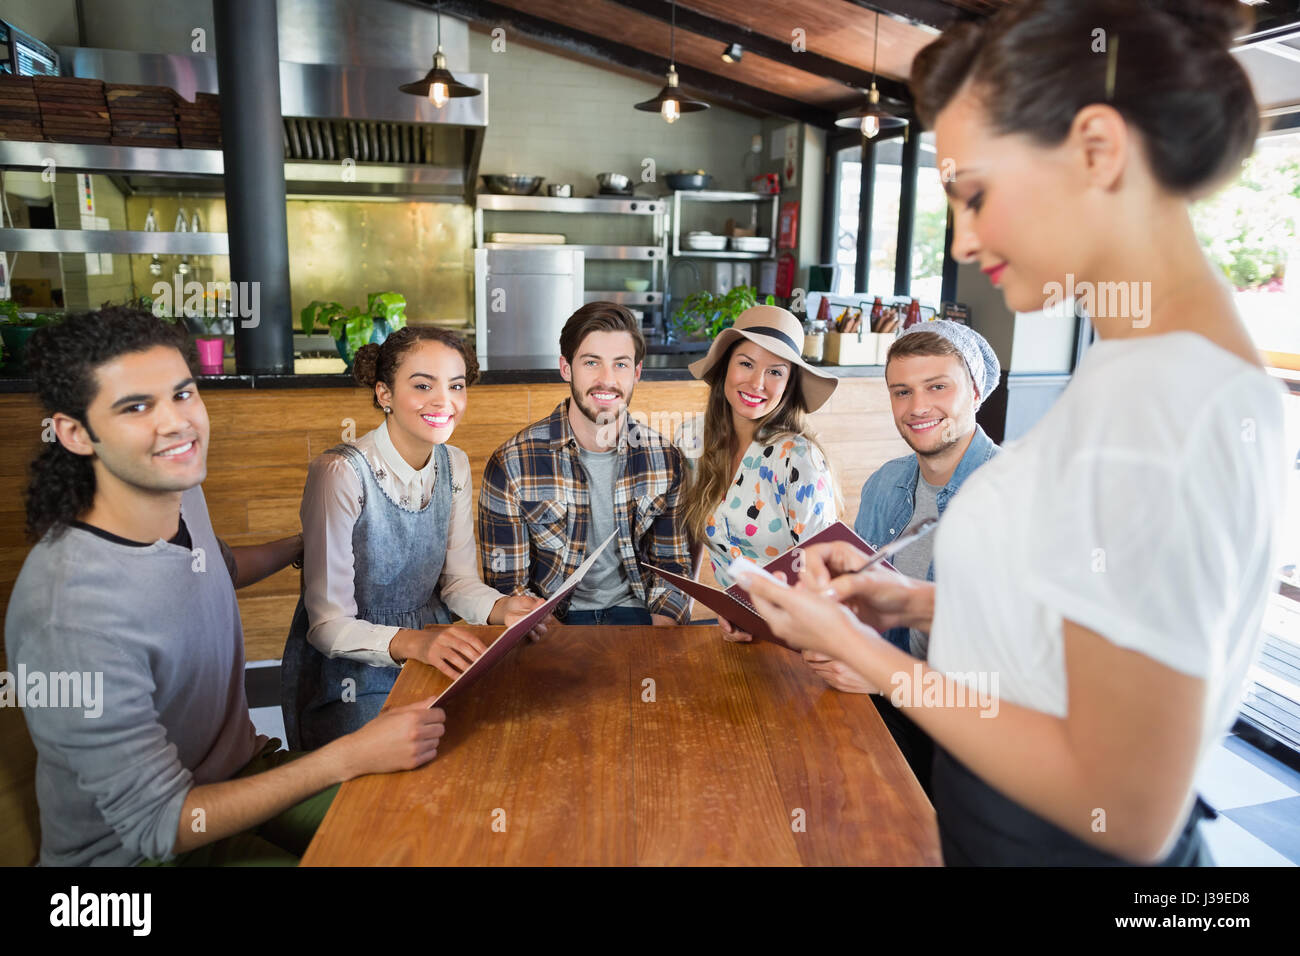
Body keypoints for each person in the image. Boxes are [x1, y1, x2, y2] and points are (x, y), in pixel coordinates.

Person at [740, 0, 1287, 866]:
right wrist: (909, 602)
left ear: (1098, 151)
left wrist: (859, 652)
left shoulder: (1163, 400)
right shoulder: (1139, 362)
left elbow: (1127, 807)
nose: (962, 239)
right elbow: (1084, 630)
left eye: (976, 194)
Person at [5, 307, 448, 866]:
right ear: (74, 432)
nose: (176, 423)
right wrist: (351, 754)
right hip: (142, 854)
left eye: (183, 394)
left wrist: (301, 544)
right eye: (136, 406)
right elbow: (161, 824)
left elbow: (215, 567)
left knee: (428, 835)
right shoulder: (68, 611)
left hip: (240, 772)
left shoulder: (177, 490)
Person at [282, 327, 548, 750]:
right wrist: (417, 643)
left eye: (456, 386)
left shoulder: (455, 464)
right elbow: (327, 628)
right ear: (384, 393)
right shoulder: (339, 473)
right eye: (423, 385)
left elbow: (457, 584)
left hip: (434, 648)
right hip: (353, 671)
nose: (444, 401)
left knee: (506, 738)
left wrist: (503, 609)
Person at [806, 321, 1000, 795]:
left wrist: (881, 678)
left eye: (937, 387)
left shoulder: (1015, 498)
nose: (916, 408)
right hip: (883, 703)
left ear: (974, 391)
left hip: (968, 738)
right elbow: (861, 608)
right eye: (901, 391)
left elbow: (998, 685)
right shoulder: (884, 484)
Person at [478, 302, 692, 626]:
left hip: (640, 615)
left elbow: (672, 568)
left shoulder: (667, 460)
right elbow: (509, 590)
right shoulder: (511, 465)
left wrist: (658, 637)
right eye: (591, 362)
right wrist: (546, 639)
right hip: (551, 621)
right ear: (566, 368)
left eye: (620, 365)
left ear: (636, 372)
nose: (606, 380)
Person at [675, 304, 841, 640]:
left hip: (802, 636)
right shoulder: (692, 440)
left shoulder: (798, 458)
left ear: (790, 383)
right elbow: (692, 535)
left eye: (775, 372)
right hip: (736, 631)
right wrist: (690, 613)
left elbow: (826, 572)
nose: (756, 383)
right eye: (746, 364)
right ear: (725, 368)